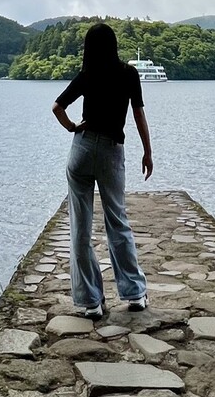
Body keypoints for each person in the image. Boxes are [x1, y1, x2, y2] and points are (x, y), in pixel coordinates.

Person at [52, 23, 154, 319]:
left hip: (81, 150)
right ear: (114, 45)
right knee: (117, 220)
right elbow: (137, 113)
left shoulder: (87, 74)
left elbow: (57, 107)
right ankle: (134, 294)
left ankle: (91, 302)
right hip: (111, 150)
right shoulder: (128, 73)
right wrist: (147, 151)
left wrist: (72, 127)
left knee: (80, 228)